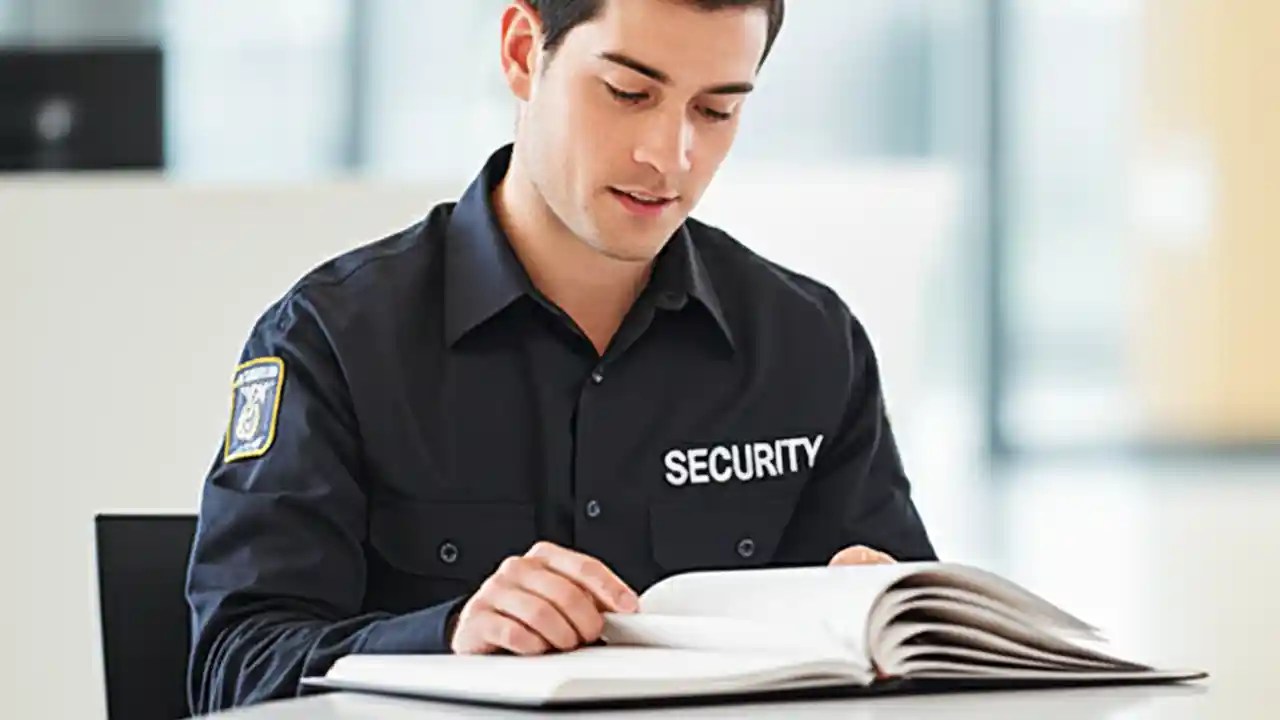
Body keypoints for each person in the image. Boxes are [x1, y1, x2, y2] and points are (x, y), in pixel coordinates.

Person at [185, 0, 936, 712]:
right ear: (522, 52)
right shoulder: (333, 341)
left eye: (717, 110)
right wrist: (446, 639)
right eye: (628, 92)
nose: (670, 156)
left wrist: (887, 625)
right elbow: (234, 668)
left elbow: (929, 657)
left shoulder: (807, 345)